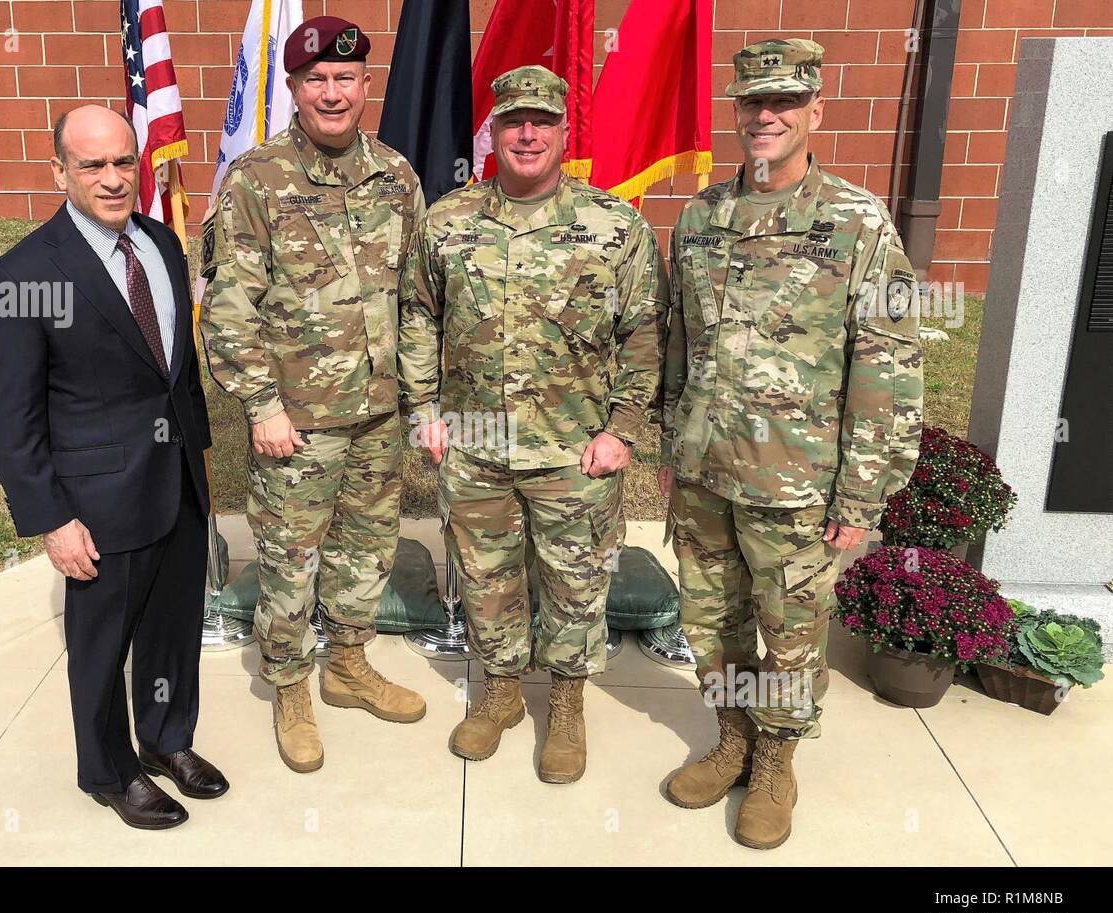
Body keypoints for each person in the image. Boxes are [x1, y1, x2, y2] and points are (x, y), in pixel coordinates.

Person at [658, 39, 924, 848]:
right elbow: (680, 344)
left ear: (815, 112)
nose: (765, 117)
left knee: (791, 631)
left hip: (797, 483)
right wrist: (674, 451)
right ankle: (732, 737)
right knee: (713, 621)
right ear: (736, 111)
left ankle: (775, 758)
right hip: (706, 472)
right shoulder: (701, 217)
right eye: (752, 102)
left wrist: (863, 493)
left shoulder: (855, 221)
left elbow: (889, 358)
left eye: (783, 103)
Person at [399, 66, 666, 784]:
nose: (526, 134)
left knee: (576, 585)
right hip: (476, 449)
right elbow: (419, 315)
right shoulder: (449, 221)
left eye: (541, 122)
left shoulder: (614, 226)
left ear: (562, 131)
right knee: (488, 582)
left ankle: (569, 707)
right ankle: (503, 694)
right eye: (514, 120)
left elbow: (645, 332)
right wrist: (423, 411)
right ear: (493, 129)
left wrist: (624, 429)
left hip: (574, 451)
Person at [0, 104, 226, 831]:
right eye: (93, 165)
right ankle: (111, 772)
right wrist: (50, 517)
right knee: (101, 646)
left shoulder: (158, 244)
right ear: (60, 171)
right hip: (97, 498)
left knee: (174, 627)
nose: (113, 178)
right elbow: (9, 413)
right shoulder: (24, 273)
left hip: (176, 480)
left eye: (124, 161)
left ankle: (166, 739)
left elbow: (175, 376)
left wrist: (200, 459)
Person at [199, 17, 428, 774]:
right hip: (296, 423)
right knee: (290, 560)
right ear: (295, 89)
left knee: (367, 551)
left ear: (366, 85)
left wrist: (420, 400)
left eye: (346, 78)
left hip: (379, 415)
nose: (333, 92)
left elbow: (420, 297)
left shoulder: (397, 176)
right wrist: (261, 406)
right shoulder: (257, 179)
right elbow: (229, 304)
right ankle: (290, 685)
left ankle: (350, 664)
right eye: (316, 80)